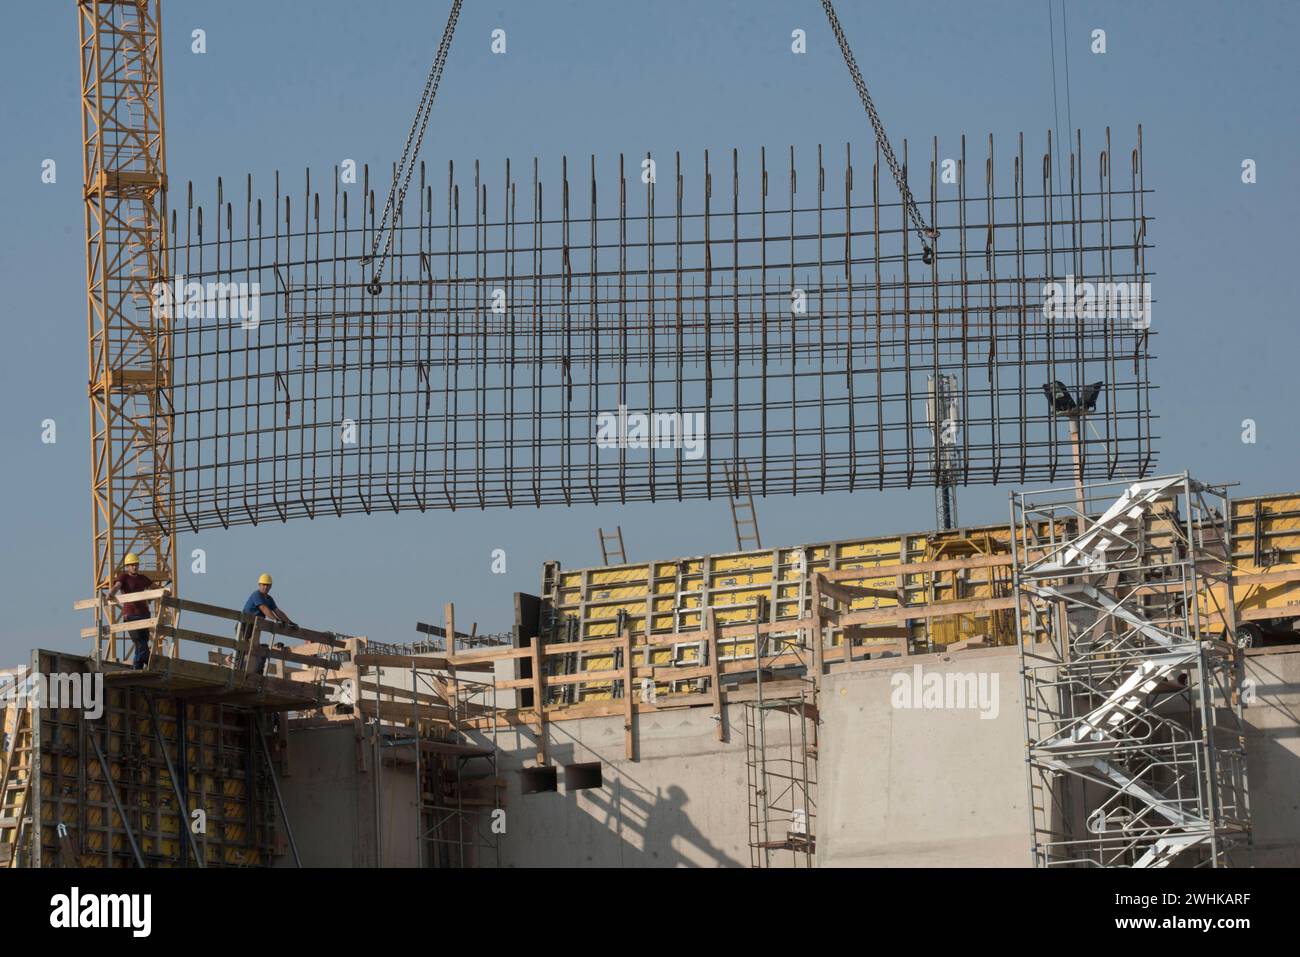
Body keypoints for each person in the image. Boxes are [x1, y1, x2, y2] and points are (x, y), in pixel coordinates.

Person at [237, 574, 298, 673]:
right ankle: (233, 664)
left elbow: (277, 611)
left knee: (252, 648)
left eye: (268, 585)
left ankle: (246, 670)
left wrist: (290, 622)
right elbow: (264, 608)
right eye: (264, 584)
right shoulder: (256, 595)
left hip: (255, 626)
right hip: (245, 624)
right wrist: (276, 620)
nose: (266, 587)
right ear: (259, 585)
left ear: (271, 586)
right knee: (243, 647)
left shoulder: (269, 599)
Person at [107, 553, 153, 670]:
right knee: (140, 644)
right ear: (128, 566)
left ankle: (138, 668)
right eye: (132, 565)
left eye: (136, 564)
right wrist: (111, 593)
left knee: (142, 644)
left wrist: (166, 591)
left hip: (144, 616)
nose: (135, 567)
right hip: (130, 616)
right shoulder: (124, 577)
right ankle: (148, 663)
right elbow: (117, 586)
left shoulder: (143, 578)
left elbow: (155, 587)